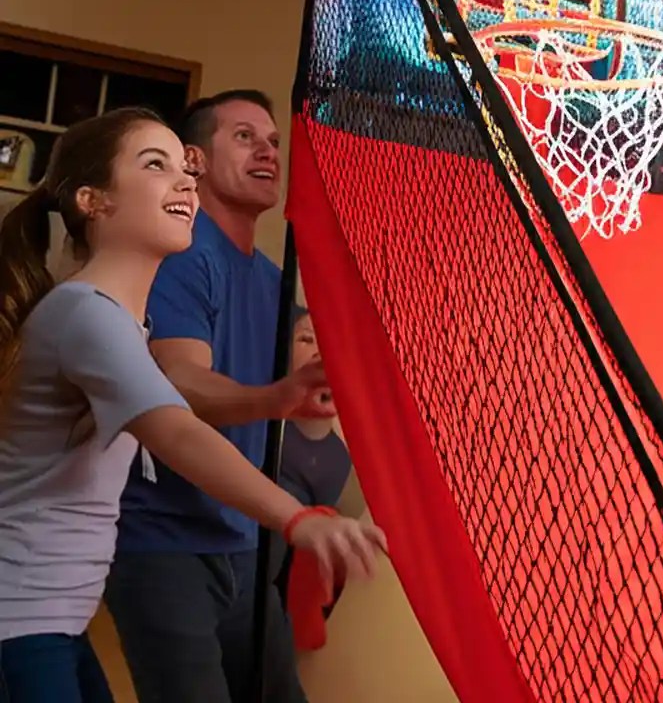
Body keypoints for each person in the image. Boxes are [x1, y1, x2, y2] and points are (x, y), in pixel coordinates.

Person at [0, 108, 386, 703]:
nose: (184, 181)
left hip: (56, 623)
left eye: (184, 168)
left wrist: (279, 398)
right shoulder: (87, 315)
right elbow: (176, 430)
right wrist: (297, 516)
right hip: (20, 626)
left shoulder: (122, 320)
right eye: (156, 165)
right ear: (92, 200)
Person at [102, 91, 337, 703]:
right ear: (196, 160)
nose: (267, 150)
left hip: (244, 542)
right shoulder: (183, 253)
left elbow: (302, 378)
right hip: (166, 544)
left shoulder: (271, 279)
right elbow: (181, 383)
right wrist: (275, 397)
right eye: (244, 136)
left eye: (273, 141)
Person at [271, 308, 356, 650]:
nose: (320, 350)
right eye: (306, 339)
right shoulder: (259, 416)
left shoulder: (337, 459)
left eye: (329, 342)